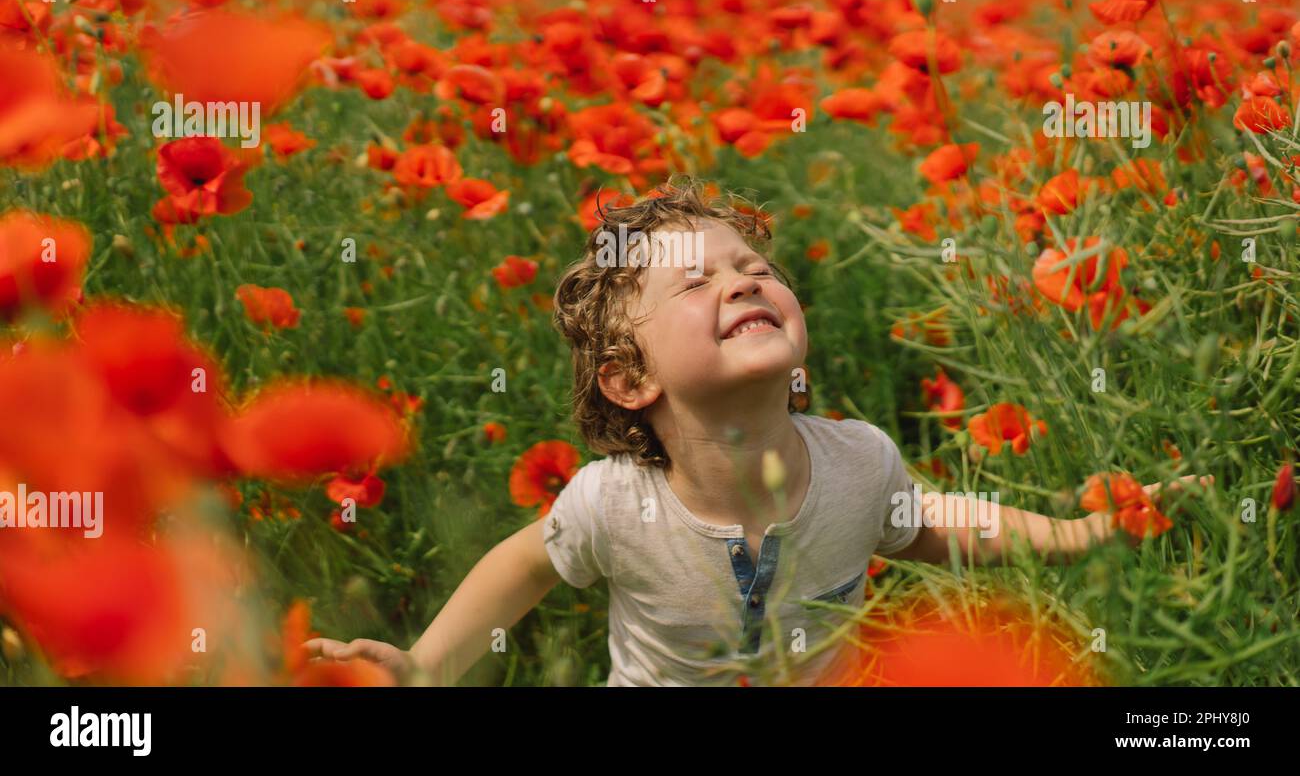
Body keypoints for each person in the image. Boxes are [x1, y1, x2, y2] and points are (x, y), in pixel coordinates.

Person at [304, 175, 1209, 686]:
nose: (742, 282)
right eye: (695, 285)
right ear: (631, 380)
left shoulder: (858, 460)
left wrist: (1087, 531)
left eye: (754, 268)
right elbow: (526, 564)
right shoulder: (613, 501)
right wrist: (424, 666)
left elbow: (939, 524)